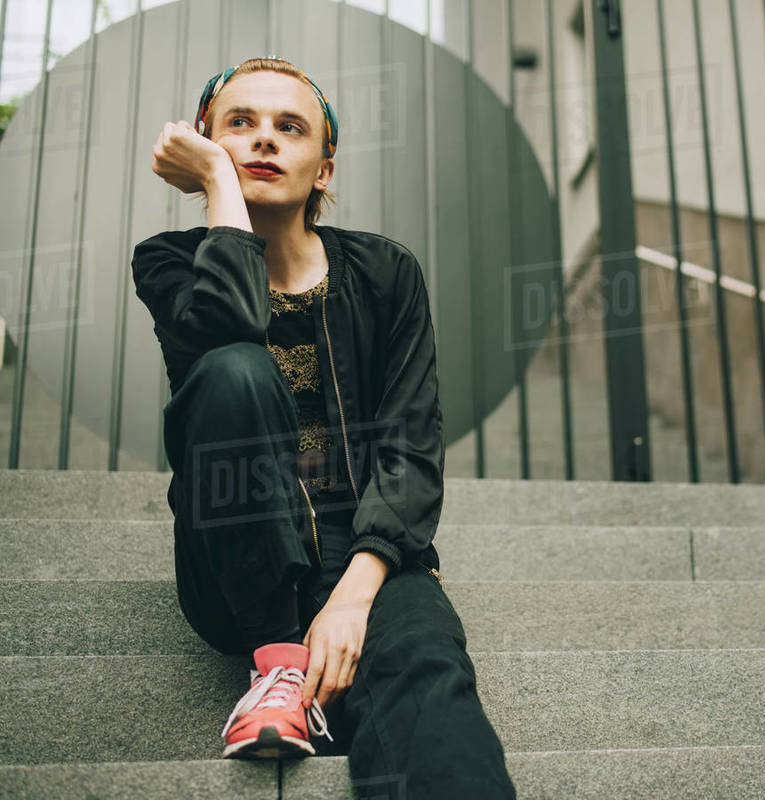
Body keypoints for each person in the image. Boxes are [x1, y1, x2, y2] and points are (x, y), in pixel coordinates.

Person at [130, 55, 517, 799]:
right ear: (206, 149)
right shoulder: (169, 263)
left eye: (290, 127)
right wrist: (219, 185)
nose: (264, 141)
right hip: (234, 545)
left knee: (429, 675)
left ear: (325, 167)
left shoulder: (385, 272)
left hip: (367, 545)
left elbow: (409, 443)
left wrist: (357, 591)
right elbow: (229, 330)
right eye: (238, 126)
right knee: (237, 367)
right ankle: (276, 663)